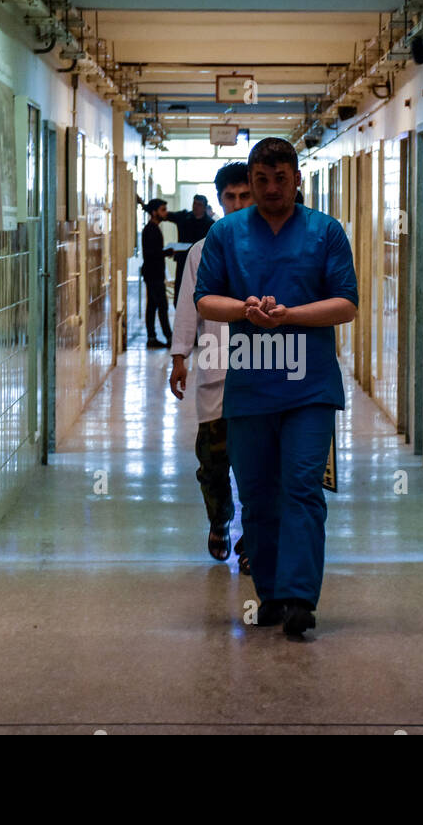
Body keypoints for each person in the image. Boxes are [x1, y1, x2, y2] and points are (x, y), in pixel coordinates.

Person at [194, 137, 358, 638]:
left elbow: (346, 304)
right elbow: (205, 301)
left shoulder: (326, 232)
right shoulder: (227, 234)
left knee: (303, 487)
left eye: (279, 179)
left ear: (297, 179)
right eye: (260, 180)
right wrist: (246, 310)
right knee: (259, 493)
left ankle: (299, 598)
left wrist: (288, 316)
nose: (269, 189)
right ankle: (268, 591)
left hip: (310, 387)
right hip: (250, 386)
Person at [169, 165, 253, 567]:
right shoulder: (202, 251)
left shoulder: (270, 246)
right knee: (214, 463)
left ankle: (254, 537)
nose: (237, 204)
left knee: (260, 464)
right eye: (230, 197)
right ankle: (220, 520)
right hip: (217, 371)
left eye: (244, 196)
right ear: (220, 200)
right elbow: (188, 307)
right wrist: (179, 357)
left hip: (264, 373)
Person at [167, 195, 216, 304]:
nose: (196, 207)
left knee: (196, 290)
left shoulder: (210, 224)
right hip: (183, 261)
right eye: (194, 204)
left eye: (199, 205)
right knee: (180, 289)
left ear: (204, 207)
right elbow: (166, 215)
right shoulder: (184, 217)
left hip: (200, 263)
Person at [141, 198, 174, 348]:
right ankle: (169, 337)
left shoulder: (153, 228)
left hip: (153, 273)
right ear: (154, 212)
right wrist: (165, 252)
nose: (165, 213)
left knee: (153, 306)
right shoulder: (150, 229)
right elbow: (150, 253)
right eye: (162, 210)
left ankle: (152, 337)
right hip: (153, 274)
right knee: (162, 305)